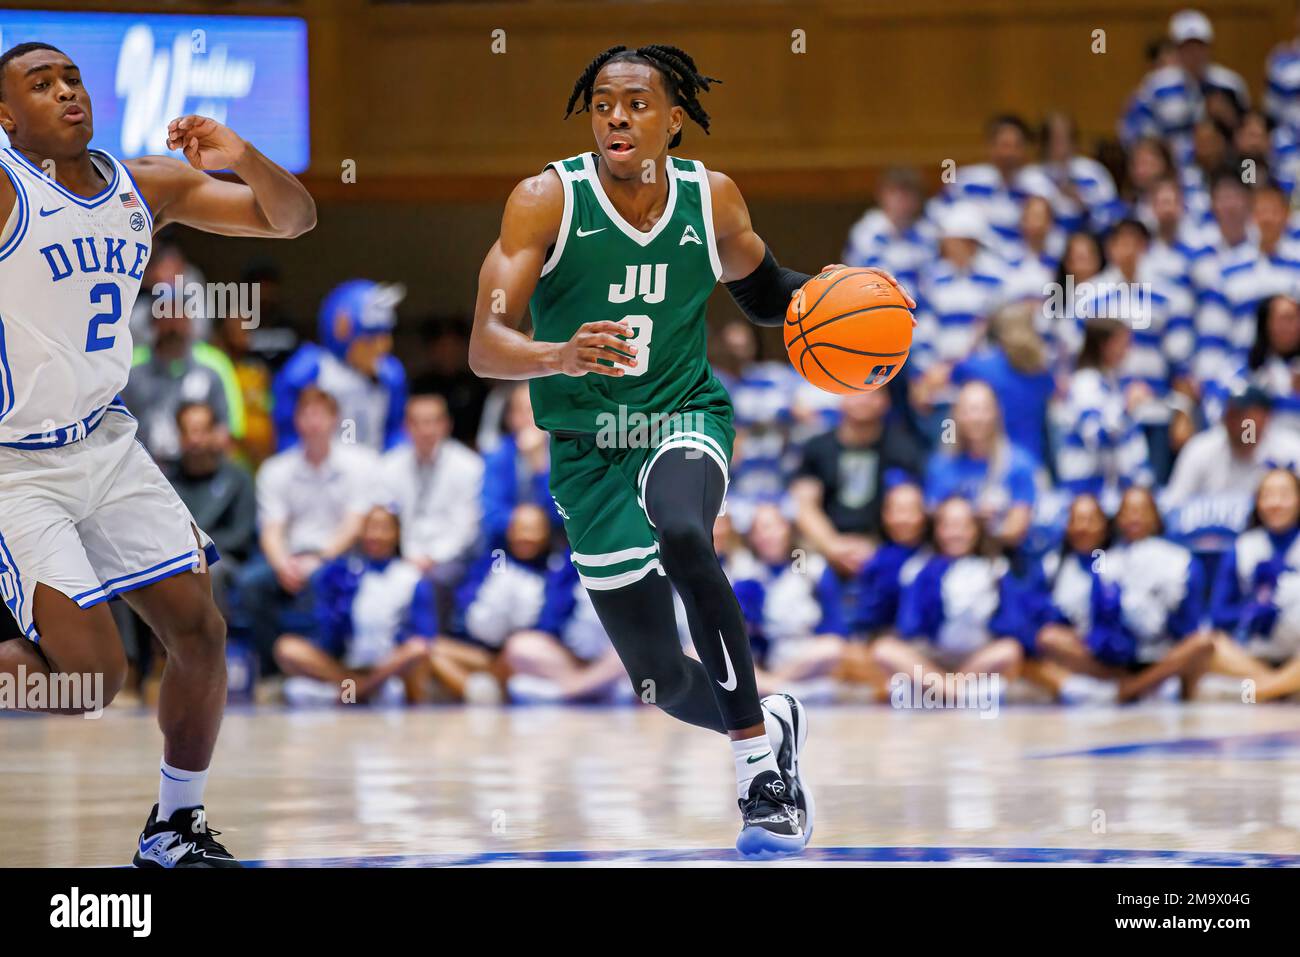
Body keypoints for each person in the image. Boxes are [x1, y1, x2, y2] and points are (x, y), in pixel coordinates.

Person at [466, 44, 912, 855]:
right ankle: (770, 719)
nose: (617, 117)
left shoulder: (713, 198)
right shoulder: (543, 200)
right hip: (587, 444)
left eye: (636, 103)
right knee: (660, 679)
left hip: (682, 415)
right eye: (603, 103)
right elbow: (486, 346)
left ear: (675, 119)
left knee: (682, 531)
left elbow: (767, 291)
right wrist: (557, 354)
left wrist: (830, 293)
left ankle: (758, 779)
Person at [0, 42, 314, 866]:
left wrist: (241, 155)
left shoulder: (146, 183)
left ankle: (174, 827)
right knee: (87, 682)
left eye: (72, 78)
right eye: (41, 85)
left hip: (106, 441)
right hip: (14, 463)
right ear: (5, 115)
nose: (66, 92)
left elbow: (294, 217)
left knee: (201, 630)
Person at [238, 387, 376, 676]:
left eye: (320, 415)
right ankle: (271, 671)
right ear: (297, 420)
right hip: (290, 558)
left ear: (335, 419)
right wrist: (282, 564)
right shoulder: (276, 469)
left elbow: (354, 525)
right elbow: (271, 528)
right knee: (251, 582)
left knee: (325, 580)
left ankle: (321, 667)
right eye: (306, 414)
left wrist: (320, 559)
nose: (313, 422)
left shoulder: (360, 464)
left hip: (339, 559)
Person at [1038, 487, 1213, 702]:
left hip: (1165, 652)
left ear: (1156, 517)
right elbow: (1099, 621)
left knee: (1203, 643)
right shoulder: (1105, 564)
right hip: (1121, 656)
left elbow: (1190, 622)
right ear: (1118, 520)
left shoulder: (1181, 560)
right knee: (1050, 638)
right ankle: (1132, 685)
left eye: (1142, 510)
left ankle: (1133, 688)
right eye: (1128, 511)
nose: (1135, 518)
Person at [272, 506, 437, 707]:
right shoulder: (343, 570)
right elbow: (325, 629)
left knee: (418, 650)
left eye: (384, 528)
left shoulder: (411, 577)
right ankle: (355, 686)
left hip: (388, 666)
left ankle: (356, 690)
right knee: (287, 647)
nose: (376, 535)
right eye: (371, 528)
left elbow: (423, 635)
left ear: (397, 533)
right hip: (345, 664)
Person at [873, 496, 1031, 703]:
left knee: (1009, 650)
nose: (955, 534)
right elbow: (909, 627)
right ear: (936, 530)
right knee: (884, 649)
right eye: (948, 526)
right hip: (931, 657)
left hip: (976, 658)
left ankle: (939, 692)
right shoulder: (918, 568)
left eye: (963, 526)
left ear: (976, 530)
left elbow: (1011, 624)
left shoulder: (996, 569)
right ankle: (953, 692)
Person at [790, 388, 925, 576]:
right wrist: (833, 546)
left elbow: (910, 512)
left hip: (885, 549)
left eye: (871, 393)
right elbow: (804, 507)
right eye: (855, 392)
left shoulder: (903, 450)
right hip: (824, 548)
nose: (863, 400)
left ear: (885, 401)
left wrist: (877, 550)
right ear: (841, 398)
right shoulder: (817, 448)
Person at [431, 503, 553, 702]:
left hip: (525, 654)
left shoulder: (555, 571)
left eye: (533, 530)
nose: (526, 537)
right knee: (429, 649)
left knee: (518, 650)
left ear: (546, 533)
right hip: (484, 650)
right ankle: (478, 694)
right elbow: (467, 604)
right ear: (510, 532)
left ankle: (486, 695)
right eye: (520, 529)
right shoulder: (493, 562)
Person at [729, 503, 849, 702]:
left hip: (804, 657)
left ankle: (772, 686)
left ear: (788, 528)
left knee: (832, 647)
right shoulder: (742, 571)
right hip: (759, 661)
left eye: (773, 527)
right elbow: (734, 632)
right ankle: (781, 689)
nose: (767, 536)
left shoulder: (812, 567)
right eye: (758, 530)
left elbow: (835, 628)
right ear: (750, 537)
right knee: (698, 650)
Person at [272, 279, 408, 453]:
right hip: (322, 471)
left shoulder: (389, 374)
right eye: (370, 339)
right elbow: (287, 431)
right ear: (341, 330)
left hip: (375, 469)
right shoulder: (310, 370)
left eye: (385, 335)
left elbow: (395, 429)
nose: (382, 347)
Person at [123, 285, 244, 471]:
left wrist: (199, 442)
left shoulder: (214, 366)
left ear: (190, 320)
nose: (173, 324)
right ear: (152, 321)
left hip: (197, 472)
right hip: (143, 470)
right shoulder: (131, 369)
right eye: (165, 315)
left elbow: (230, 432)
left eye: (179, 314)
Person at [1206, 469, 1300, 700]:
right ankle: (1282, 687)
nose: (1276, 503)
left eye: (1285, 495)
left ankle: (1263, 690)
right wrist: (1252, 612)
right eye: (1268, 495)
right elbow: (1218, 615)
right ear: (1257, 502)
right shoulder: (1242, 547)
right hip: (1254, 656)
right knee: (1206, 645)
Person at [379, 394, 484, 586]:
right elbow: (386, 520)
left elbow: (467, 526)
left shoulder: (470, 466)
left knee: (432, 584)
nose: (425, 430)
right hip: (402, 556)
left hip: (451, 558)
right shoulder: (389, 466)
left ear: (447, 425)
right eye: (417, 423)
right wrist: (405, 555)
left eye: (432, 422)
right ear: (405, 427)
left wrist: (435, 557)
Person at [499, 555, 630, 704]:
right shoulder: (562, 564)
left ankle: (571, 691)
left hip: (614, 657)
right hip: (568, 660)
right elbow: (549, 621)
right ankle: (588, 688)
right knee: (520, 646)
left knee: (635, 647)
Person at [924, 380, 1039, 549]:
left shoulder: (1019, 463)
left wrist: (975, 524)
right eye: (969, 410)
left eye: (983, 409)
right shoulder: (941, 464)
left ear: (996, 413)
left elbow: (1016, 528)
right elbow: (935, 523)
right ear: (956, 416)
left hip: (1002, 557)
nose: (976, 418)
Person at [168, 401, 257, 612]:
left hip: (223, 558)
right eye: (188, 431)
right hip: (175, 556)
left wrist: (199, 549)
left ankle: (213, 642)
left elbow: (241, 536)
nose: (195, 439)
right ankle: (139, 645)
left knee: (205, 568)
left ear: (215, 433)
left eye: (201, 431)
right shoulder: (165, 481)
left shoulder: (238, 478)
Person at [1055, 318, 1153, 506]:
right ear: (1105, 345)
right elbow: (1095, 435)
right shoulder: (1085, 384)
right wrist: (1127, 408)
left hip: (1112, 491)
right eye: (1123, 343)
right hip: (1090, 493)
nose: (1127, 350)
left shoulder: (1111, 381)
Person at [1163, 383, 1300, 506]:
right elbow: (1174, 503)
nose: (1236, 421)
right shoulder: (1201, 448)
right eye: (1231, 413)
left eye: (1244, 415)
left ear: (1266, 417)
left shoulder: (1290, 449)